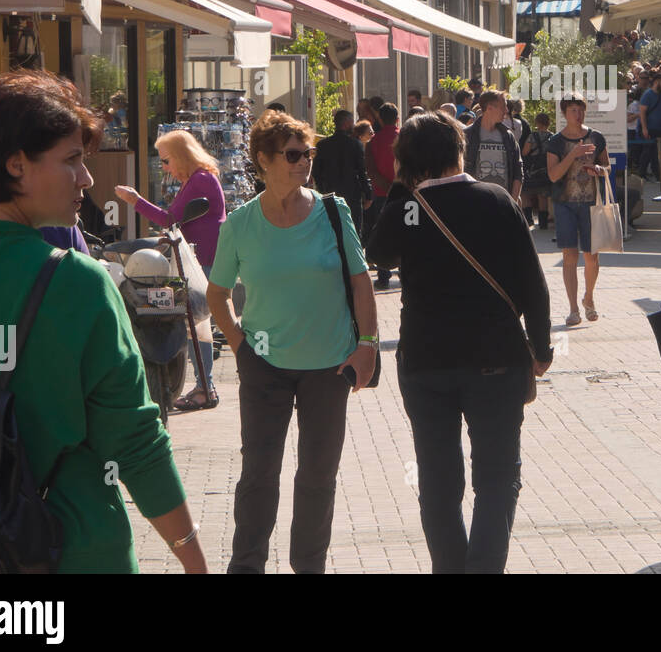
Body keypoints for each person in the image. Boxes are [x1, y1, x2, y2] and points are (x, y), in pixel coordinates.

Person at [0, 71, 205, 573]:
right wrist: (192, 559)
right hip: (72, 550)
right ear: (16, 165)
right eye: (72, 160)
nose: (86, 180)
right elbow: (135, 441)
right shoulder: (79, 284)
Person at [366, 112, 552, 572]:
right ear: (459, 151)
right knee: (497, 479)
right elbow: (532, 282)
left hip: (426, 361)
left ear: (406, 163)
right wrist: (543, 347)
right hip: (496, 359)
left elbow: (378, 253)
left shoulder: (407, 208)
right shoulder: (495, 199)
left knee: (439, 483)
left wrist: (401, 186)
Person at [205, 110, 378, 574]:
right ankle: (246, 566)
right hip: (265, 367)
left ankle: (309, 567)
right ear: (264, 159)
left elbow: (362, 283)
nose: (305, 162)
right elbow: (216, 294)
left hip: (329, 366)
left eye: (308, 153)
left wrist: (368, 344)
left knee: (317, 477)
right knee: (259, 475)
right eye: (294, 154)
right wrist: (241, 347)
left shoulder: (331, 211)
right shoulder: (240, 224)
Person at [115, 129, 227, 412]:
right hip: (198, 256)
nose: (164, 168)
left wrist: (135, 200)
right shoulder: (198, 178)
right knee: (196, 323)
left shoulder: (199, 179)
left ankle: (205, 387)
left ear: (180, 156)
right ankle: (205, 385)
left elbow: (169, 218)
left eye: (166, 161)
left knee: (196, 322)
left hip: (199, 259)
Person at [546, 95, 609, 326]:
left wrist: (599, 169)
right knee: (569, 255)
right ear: (564, 113)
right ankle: (573, 308)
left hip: (591, 203)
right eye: (573, 110)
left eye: (581, 109)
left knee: (592, 257)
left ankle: (588, 297)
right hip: (565, 204)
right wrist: (573, 154)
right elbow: (553, 175)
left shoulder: (596, 137)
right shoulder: (555, 141)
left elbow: (608, 166)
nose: (578, 114)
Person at [312, 108, 375, 234]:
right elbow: (362, 172)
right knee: (353, 231)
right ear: (346, 123)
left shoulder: (323, 145)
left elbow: (316, 171)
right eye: (352, 122)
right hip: (352, 195)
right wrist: (368, 194)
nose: (353, 125)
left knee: (332, 231)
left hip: (330, 194)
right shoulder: (355, 144)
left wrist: (321, 190)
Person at [463, 88, 523, 199]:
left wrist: (512, 202)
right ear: (489, 108)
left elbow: (518, 171)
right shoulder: (467, 135)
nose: (506, 111)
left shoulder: (508, 136)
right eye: (503, 107)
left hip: (503, 202)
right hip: (475, 201)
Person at [365, 102, 401, 291]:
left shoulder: (372, 142)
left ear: (379, 119)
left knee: (383, 232)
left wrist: (386, 188)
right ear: (397, 118)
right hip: (404, 194)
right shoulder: (404, 138)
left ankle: (383, 275)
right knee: (408, 230)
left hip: (380, 195)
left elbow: (371, 171)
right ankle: (405, 271)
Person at [520, 112, 553, 230]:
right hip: (545, 169)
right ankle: (543, 223)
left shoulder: (532, 136)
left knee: (526, 193)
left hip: (532, 169)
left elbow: (524, 152)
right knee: (543, 196)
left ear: (537, 123)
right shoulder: (552, 137)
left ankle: (529, 221)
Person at [637, 74, 661, 179]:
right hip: (650, 128)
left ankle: (658, 174)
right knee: (648, 152)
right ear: (656, 82)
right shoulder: (648, 95)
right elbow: (642, 112)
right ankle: (642, 174)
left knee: (660, 153)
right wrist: (644, 128)